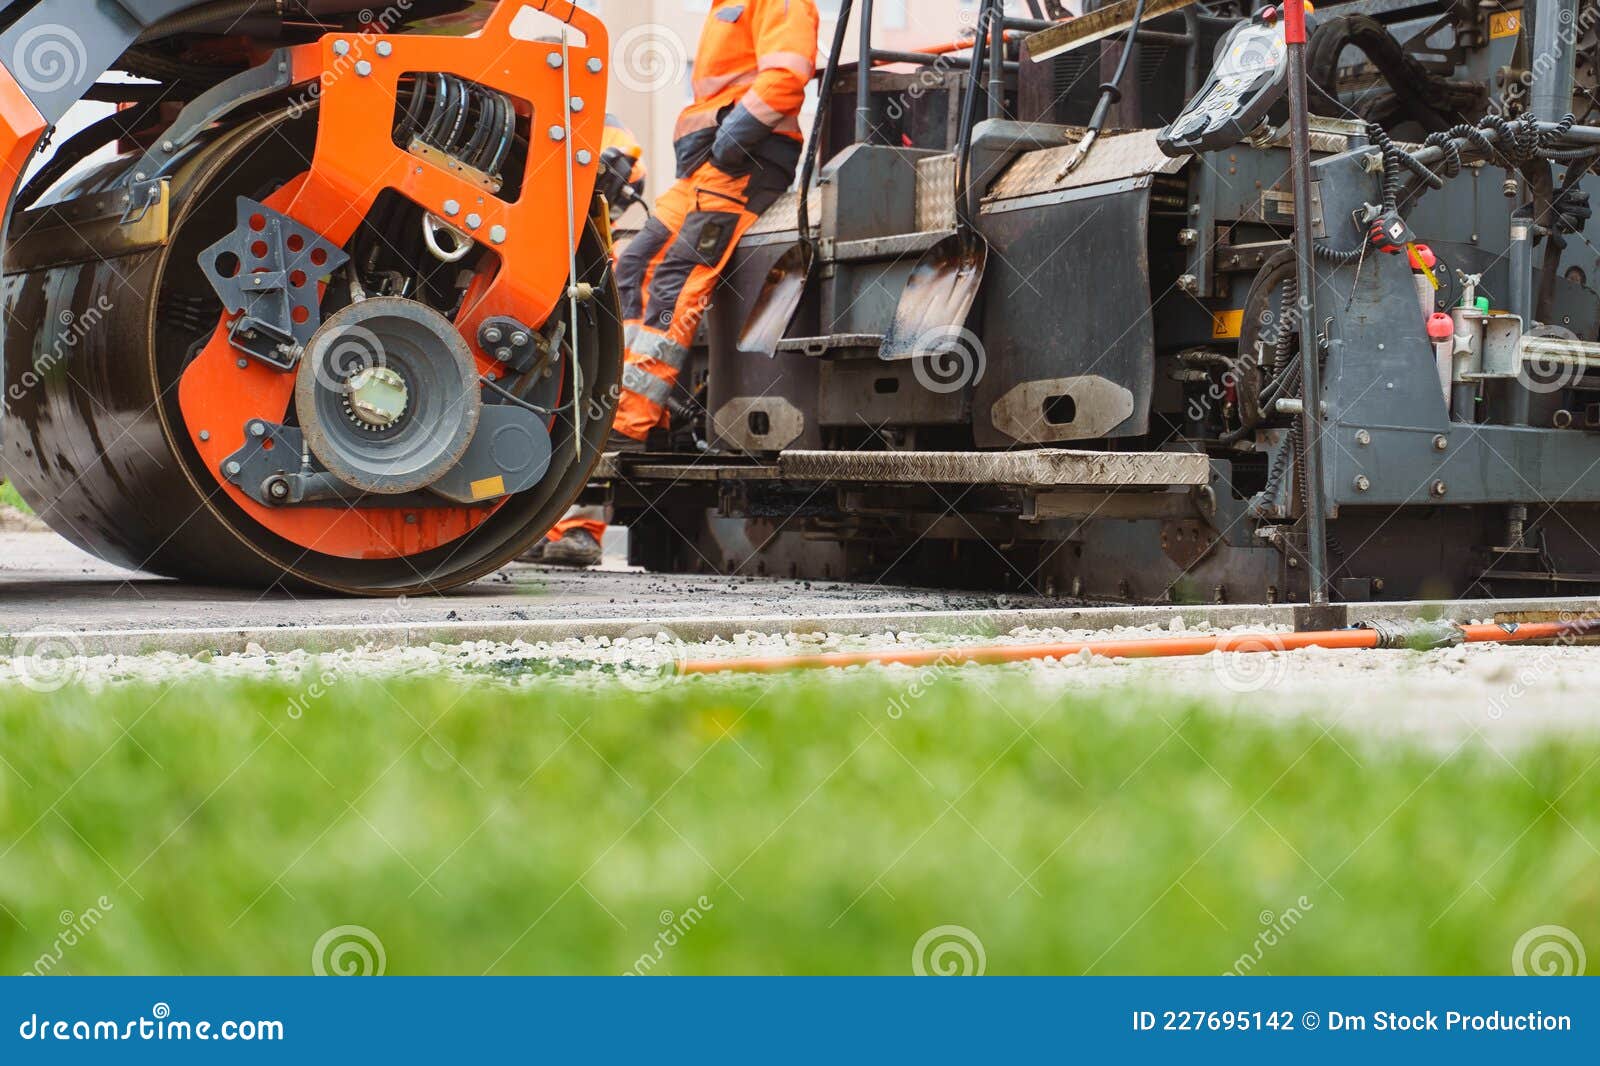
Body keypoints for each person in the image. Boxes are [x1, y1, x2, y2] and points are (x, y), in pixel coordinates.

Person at [533, 0, 820, 569]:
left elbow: (788, 74)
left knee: (674, 280)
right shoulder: (727, 7)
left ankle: (627, 422)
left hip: (741, 159)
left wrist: (736, 134)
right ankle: (633, 415)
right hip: (709, 162)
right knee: (630, 269)